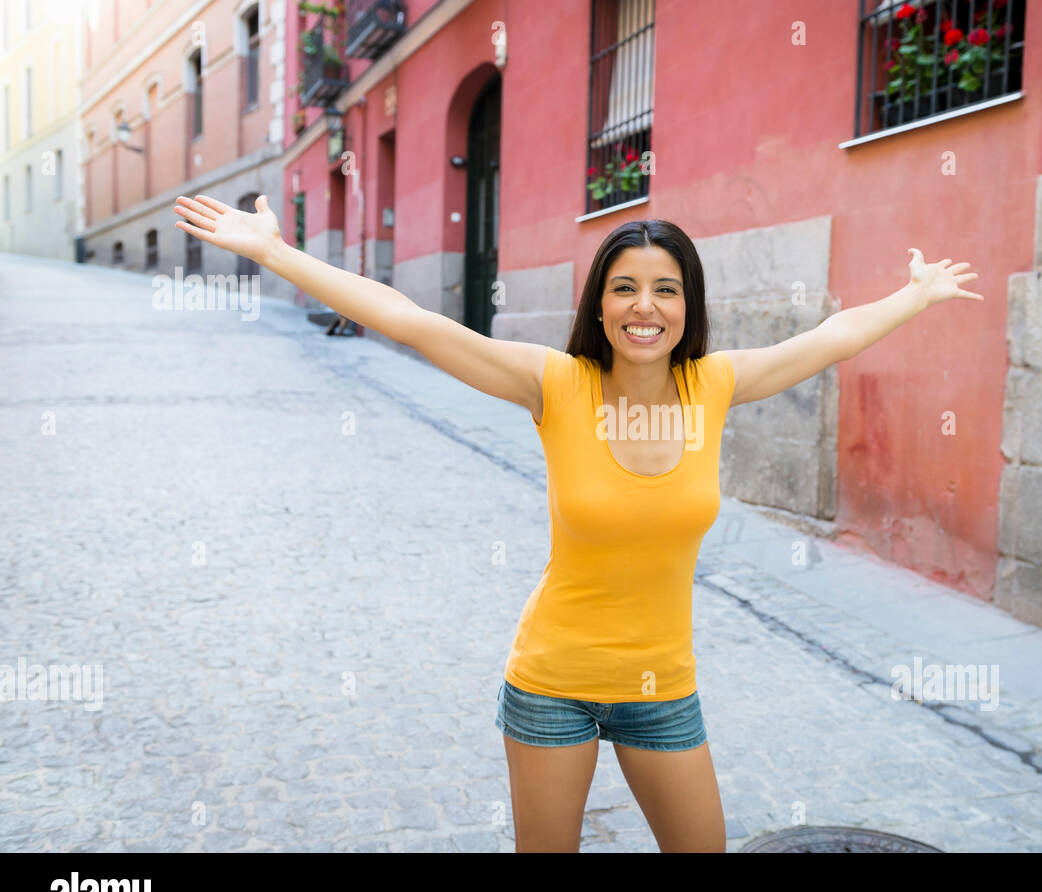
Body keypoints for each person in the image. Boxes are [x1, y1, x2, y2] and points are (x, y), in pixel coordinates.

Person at [172, 193, 982, 853]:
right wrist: (275, 254)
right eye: (625, 286)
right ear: (599, 304)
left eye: (665, 288)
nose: (645, 306)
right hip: (553, 681)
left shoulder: (716, 386)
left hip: (663, 688)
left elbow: (830, 337)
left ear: (687, 305)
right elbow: (411, 321)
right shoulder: (554, 384)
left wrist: (914, 295)